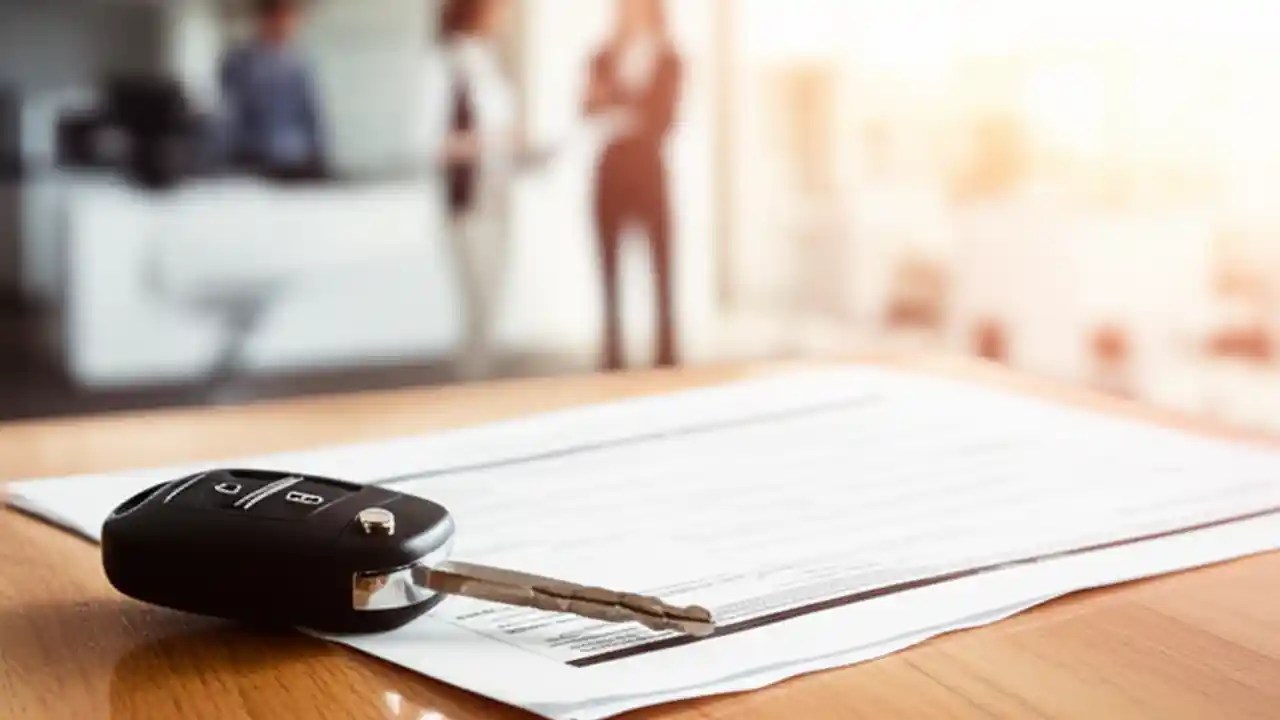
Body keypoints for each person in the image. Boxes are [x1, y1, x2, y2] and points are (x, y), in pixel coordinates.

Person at [422, 0, 524, 377]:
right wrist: (488, 141)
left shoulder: (490, 63)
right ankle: (471, 382)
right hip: (466, 201)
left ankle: (481, 379)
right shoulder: (445, 67)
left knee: (492, 303)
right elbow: (432, 142)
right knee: (476, 303)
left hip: (497, 197)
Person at [585, 0, 682, 370]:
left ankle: (666, 355)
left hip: (649, 167)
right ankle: (613, 356)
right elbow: (588, 108)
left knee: (662, 264)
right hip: (611, 167)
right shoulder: (602, 56)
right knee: (608, 264)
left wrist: (615, 102)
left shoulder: (669, 59)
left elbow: (663, 119)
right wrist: (624, 107)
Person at [220, 0, 326, 178]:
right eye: (279, 19)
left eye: (290, 19)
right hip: (254, 158)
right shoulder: (240, 61)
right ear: (263, 20)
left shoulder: (299, 64)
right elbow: (233, 114)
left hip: (298, 160)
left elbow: (311, 114)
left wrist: (318, 154)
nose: (285, 26)